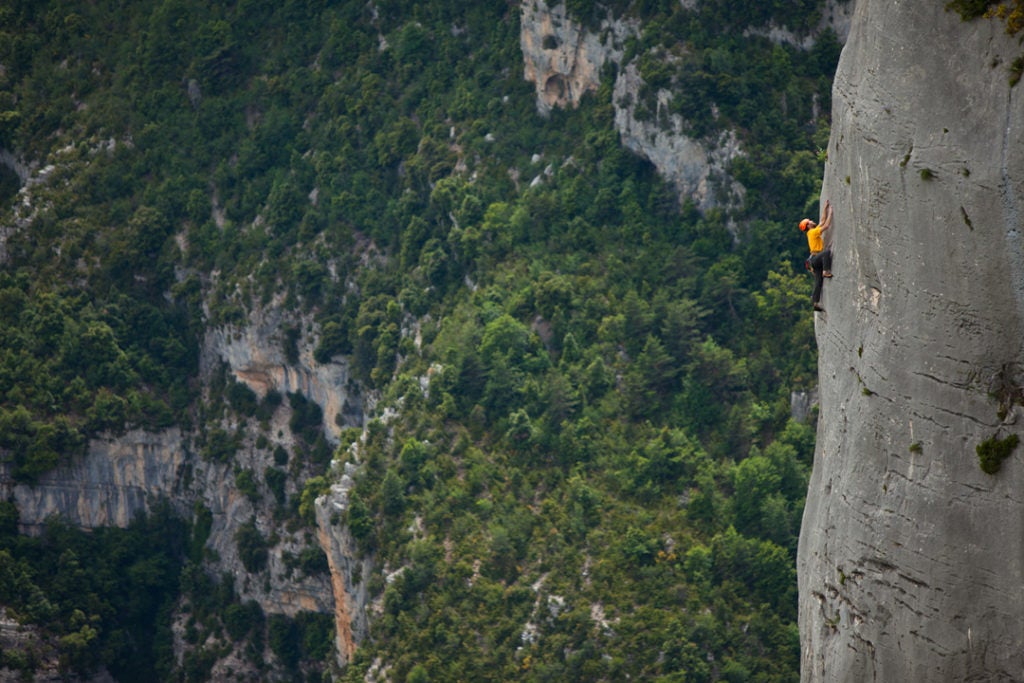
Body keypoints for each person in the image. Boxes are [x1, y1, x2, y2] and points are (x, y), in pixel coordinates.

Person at [799, 199, 833, 312]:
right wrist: (831, 213)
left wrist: (825, 208)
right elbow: (826, 225)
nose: (812, 221)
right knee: (827, 252)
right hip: (816, 258)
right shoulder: (813, 232)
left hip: (814, 260)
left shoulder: (812, 231)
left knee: (818, 282)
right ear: (808, 226)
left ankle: (815, 302)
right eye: (810, 221)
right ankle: (826, 271)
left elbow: (822, 221)